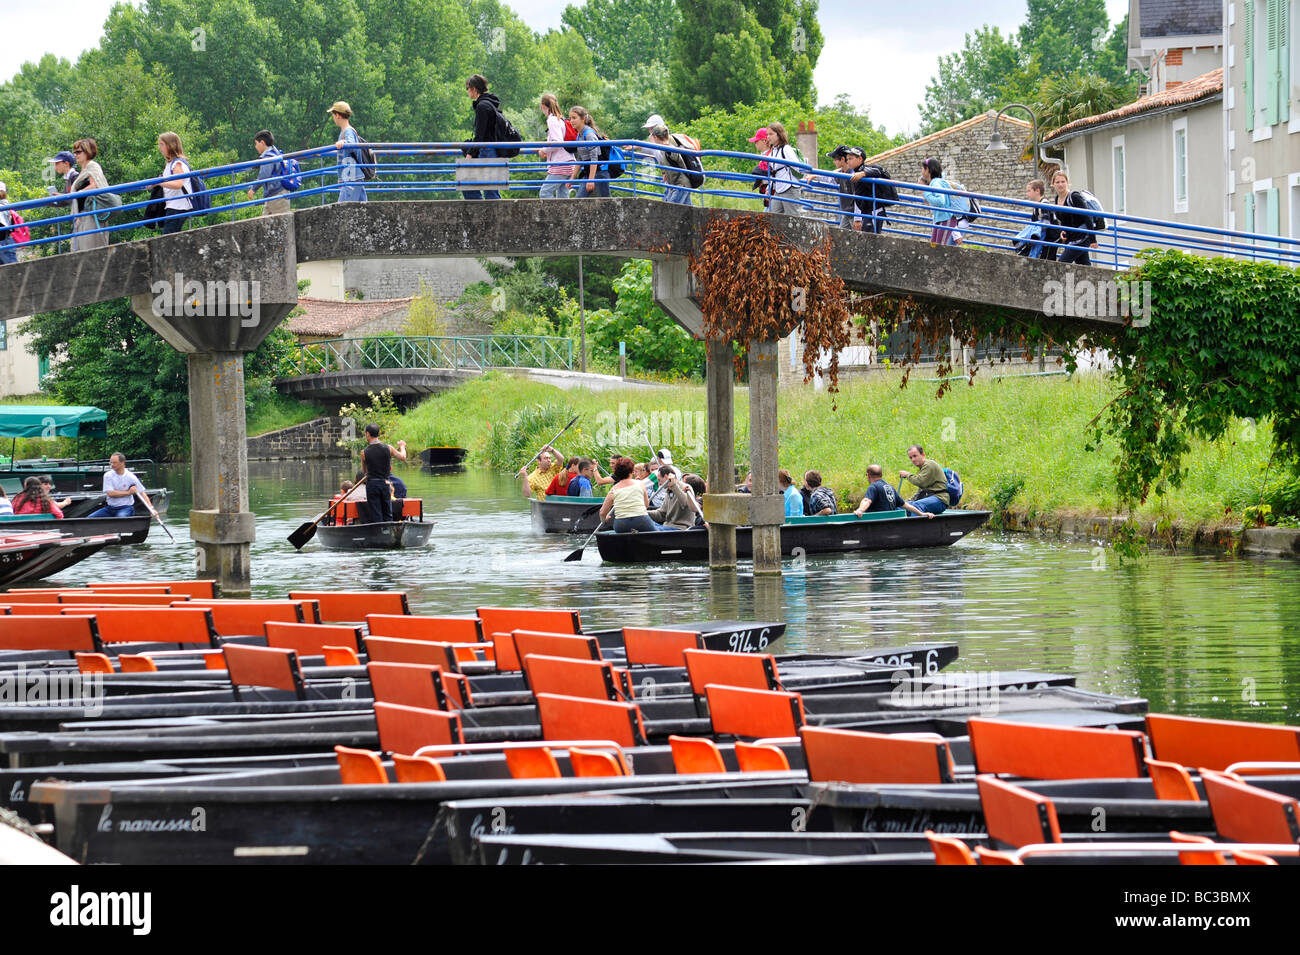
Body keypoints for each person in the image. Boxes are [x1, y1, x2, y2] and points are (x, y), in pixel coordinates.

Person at [464, 74, 505, 201]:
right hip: (492, 150)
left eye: (468, 88)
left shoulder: (482, 107)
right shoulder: (489, 104)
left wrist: (470, 153)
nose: (467, 91)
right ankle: (487, 217)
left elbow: (480, 136)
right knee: (489, 190)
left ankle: (485, 217)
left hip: (487, 151)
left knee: (482, 189)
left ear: (474, 89)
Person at [1048, 170, 1101, 266]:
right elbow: (1064, 219)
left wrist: (1093, 240)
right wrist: (1063, 231)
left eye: (1063, 181)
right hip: (1072, 238)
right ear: (1053, 184)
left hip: (1082, 237)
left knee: (1061, 264)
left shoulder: (1074, 197)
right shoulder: (1057, 199)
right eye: (1057, 182)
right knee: (1084, 266)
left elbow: (1087, 217)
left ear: (1067, 183)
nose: (1060, 185)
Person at [598, 456, 662, 532]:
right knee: (659, 529)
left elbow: (602, 512)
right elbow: (646, 505)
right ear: (631, 471)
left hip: (621, 524)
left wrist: (604, 520)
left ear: (616, 472)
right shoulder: (640, 484)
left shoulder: (613, 489)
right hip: (641, 520)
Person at [70, 139, 109, 251]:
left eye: (78, 152)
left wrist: (79, 192)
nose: (75, 155)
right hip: (83, 217)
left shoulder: (92, 166)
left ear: (87, 152)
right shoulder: (84, 169)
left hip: (91, 216)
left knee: (91, 251)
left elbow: (95, 185)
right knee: (80, 250)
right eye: (74, 152)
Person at [86, 453, 149, 518]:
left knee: (120, 518)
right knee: (90, 518)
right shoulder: (108, 475)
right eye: (111, 463)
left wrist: (152, 508)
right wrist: (128, 492)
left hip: (126, 508)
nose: (112, 465)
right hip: (110, 508)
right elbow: (110, 493)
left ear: (122, 463)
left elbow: (142, 493)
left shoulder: (131, 477)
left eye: (114, 463)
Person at [538, 94, 576, 198]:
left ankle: (554, 214)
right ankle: (564, 215)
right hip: (570, 163)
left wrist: (544, 150)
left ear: (542, 106)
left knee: (545, 193)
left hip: (560, 164)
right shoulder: (561, 119)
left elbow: (558, 142)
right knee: (562, 197)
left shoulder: (552, 120)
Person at [328, 101, 367, 203]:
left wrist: (344, 141)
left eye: (333, 115)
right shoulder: (345, 131)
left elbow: (352, 145)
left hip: (352, 177)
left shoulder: (348, 131)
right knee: (364, 209)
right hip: (354, 176)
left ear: (337, 115)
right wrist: (341, 178)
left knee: (342, 209)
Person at [157, 132, 194, 235]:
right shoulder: (170, 164)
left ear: (170, 146)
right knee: (170, 238)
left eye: (162, 144)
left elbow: (178, 184)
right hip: (175, 206)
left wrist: (161, 182)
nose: (160, 148)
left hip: (178, 207)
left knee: (167, 239)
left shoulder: (177, 164)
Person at [247, 130, 292, 215]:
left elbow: (264, 175)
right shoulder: (275, 153)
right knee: (266, 222)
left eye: (256, 143)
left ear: (262, 143)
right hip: (274, 194)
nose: (255, 147)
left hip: (277, 195)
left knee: (279, 223)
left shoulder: (268, 157)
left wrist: (253, 189)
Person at [647, 124, 694, 205]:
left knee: (670, 210)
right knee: (688, 214)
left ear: (655, 137)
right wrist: (665, 173)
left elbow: (676, 159)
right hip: (678, 185)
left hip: (681, 185)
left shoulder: (669, 149)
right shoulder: (664, 148)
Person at [920, 157, 962, 247]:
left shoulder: (936, 183)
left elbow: (941, 201)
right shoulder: (936, 182)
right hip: (940, 219)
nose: (922, 171)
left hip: (946, 218)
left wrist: (926, 193)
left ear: (928, 170)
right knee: (934, 246)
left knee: (939, 248)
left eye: (923, 168)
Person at [568, 106, 608, 198]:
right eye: (570, 118)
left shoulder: (589, 134)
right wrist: (572, 178)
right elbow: (580, 158)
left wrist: (591, 180)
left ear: (583, 119)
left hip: (600, 173)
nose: (571, 121)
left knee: (606, 202)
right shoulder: (579, 135)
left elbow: (594, 158)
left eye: (574, 118)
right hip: (588, 173)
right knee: (579, 201)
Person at [764, 122, 803, 216]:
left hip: (790, 188)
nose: (768, 137)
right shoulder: (773, 150)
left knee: (793, 218)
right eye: (767, 134)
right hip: (779, 189)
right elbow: (774, 173)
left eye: (771, 134)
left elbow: (797, 166)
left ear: (779, 134)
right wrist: (769, 188)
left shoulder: (786, 149)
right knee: (773, 217)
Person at [898, 444, 950, 515]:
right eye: (910, 457)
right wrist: (905, 503)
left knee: (917, 506)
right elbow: (921, 492)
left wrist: (907, 475)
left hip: (940, 499)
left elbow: (920, 481)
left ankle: (915, 526)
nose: (913, 459)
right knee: (900, 506)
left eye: (915, 456)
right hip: (929, 498)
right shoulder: (922, 468)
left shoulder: (929, 465)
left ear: (922, 454)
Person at [359, 423, 394, 523]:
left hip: (372, 485)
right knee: (388, 513)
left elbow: (365, 472)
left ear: (368, 434)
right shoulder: (389, 448)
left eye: (366, 434)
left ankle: (379, 533)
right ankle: (389, 532)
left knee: (376, 514)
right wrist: (402, 446)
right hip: (385, 483)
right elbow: (403, 457)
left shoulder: (364, 452)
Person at [1012, 178, 1052, 260]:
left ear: (1037, 191)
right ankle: (1027, 241)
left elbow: (1046, 223)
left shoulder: (1044, 203)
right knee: (1034, 225)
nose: (1027, 194)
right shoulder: (1035, 206)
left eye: (1029, 191)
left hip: (1050, 235)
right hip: (1042, 235)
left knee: (1037, 225)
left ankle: (1022, 240)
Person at [748, 127, 772, 209]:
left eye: (756, 141)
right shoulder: (765, 155)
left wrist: (763, 181)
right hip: (770, 195)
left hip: (773, 195)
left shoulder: (771, 156)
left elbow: (774, 175)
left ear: (764, 141)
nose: (755, 143)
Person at [0, 182, 16, 265]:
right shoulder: (6, 205)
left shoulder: (3, 205)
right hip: (5, 241)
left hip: (4, 242)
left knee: (12, 269)